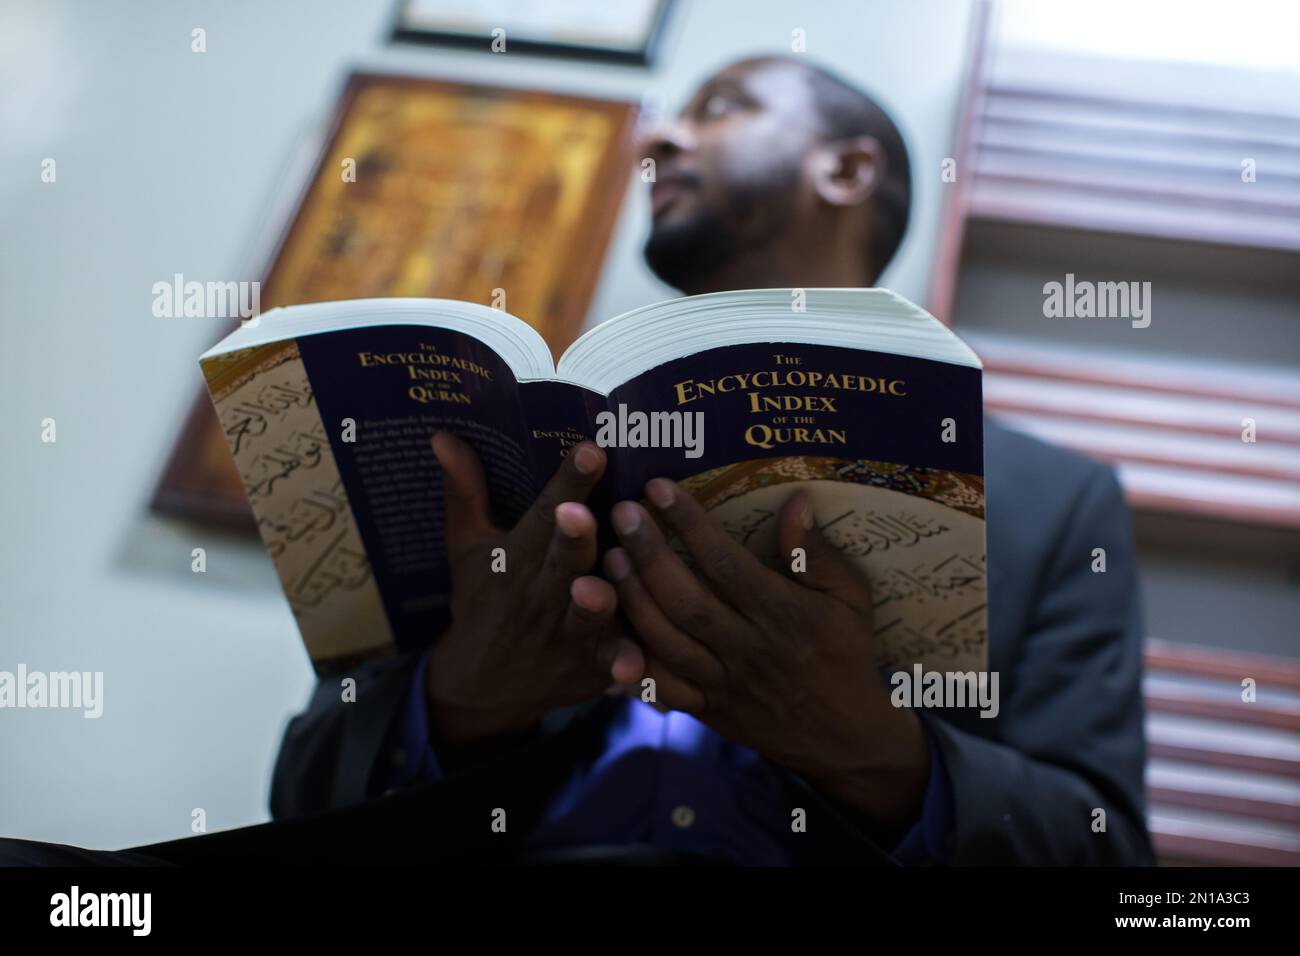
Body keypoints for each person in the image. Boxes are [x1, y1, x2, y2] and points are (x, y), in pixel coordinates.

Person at [1, 56, 1152, 867]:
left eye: (722, 106)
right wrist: (457, 702)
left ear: (845, 172)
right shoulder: (527, 447)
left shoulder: (1056, 504)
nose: (658, 136)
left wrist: (876, 755)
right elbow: (307, 791)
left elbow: (1107, 859)